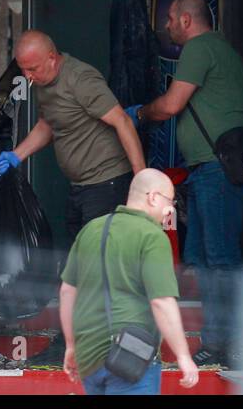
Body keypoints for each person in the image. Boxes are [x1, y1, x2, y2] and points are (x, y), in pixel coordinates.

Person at [0, 30, 147, 366]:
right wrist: (17, 155)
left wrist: (140, 178)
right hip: (80, 187)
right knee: (77, 267)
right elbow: (50, 123)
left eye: (33, 68)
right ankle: (75, 343)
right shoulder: (44, 83)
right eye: (23, 70)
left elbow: (122, 121)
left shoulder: (80, 78)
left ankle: (98, 346)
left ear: (52, 58)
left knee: (96, 268)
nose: (28, 77)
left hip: (106, 184)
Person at [126, 0, 243, 368]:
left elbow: (172, 104)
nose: (165, 26)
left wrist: (140, 113)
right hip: (206, 169)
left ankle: (225, 343)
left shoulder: (200, 47)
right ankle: (218, 340)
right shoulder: (222, 49)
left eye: (169, 19)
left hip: (215, 169)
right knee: (201, 256)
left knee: (220, 258)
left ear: (186, 20)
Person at [60, 169, 198, 395]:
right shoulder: (153, 236)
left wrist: (71, 346)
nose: (171, 209)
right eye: (170, 201)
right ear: (153, 197)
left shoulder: (90, 230)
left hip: (89, 355)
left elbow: (67, 292)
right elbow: (161, 301)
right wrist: (183, 356)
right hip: (131, 356)